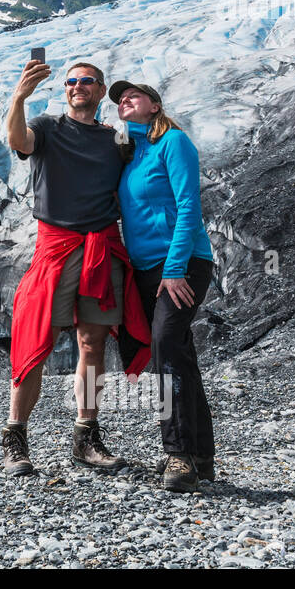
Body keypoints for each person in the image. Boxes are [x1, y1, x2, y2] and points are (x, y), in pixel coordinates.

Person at [2, 59, 152, 477]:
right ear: (64, 90)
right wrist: (19, 96)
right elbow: (18, 139)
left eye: (87, 81)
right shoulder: (47, 127)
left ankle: (86, 435)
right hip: (56, 248)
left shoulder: (112, 141)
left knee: (92, 344)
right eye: (71, 82)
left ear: (101, 91)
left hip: (102, 247)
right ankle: (15, 437)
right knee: (36, 341)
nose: (77, 86)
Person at [110, 80, 217, 493]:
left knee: (165, 347)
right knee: (179, 355)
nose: (124, 100)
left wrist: (174, 268)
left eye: (133, 96)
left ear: (155, 106)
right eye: (120, 97)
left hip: (183, 264)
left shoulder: (174, 142)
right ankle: (202, 456)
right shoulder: (132, 154)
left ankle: (177, 454)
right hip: (145, 269)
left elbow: (190, 204)